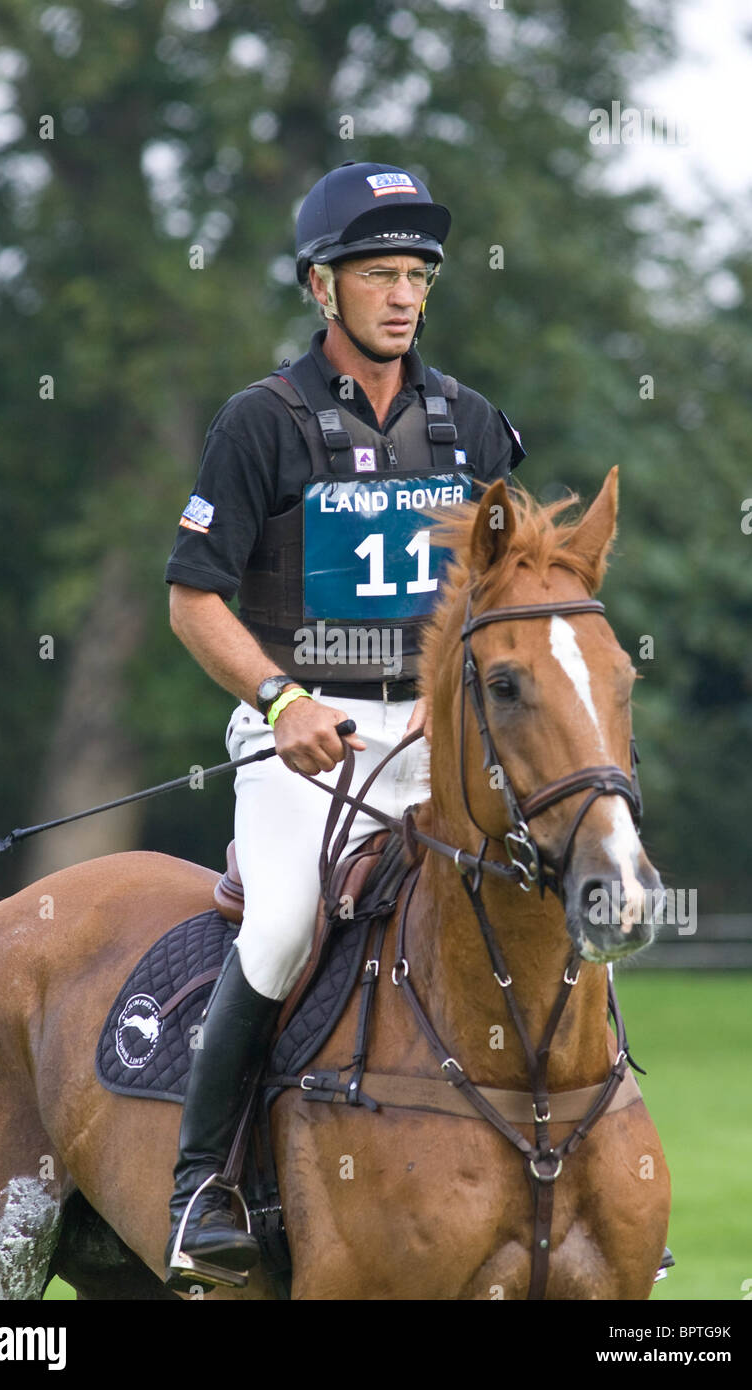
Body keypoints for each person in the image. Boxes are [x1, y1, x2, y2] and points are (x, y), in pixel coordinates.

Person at [162, 160, 525, 1289]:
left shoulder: (470, 424)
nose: (403, 295)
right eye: (379, 274)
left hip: (434, 738)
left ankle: (575, 1157)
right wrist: (280, 701)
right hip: (300, 735)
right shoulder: (258, 424)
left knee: (534, 897)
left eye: (416, 274)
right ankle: (201, 1188)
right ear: (323, 289)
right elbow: (191, 597)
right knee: (280, 925)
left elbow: (515, 587)